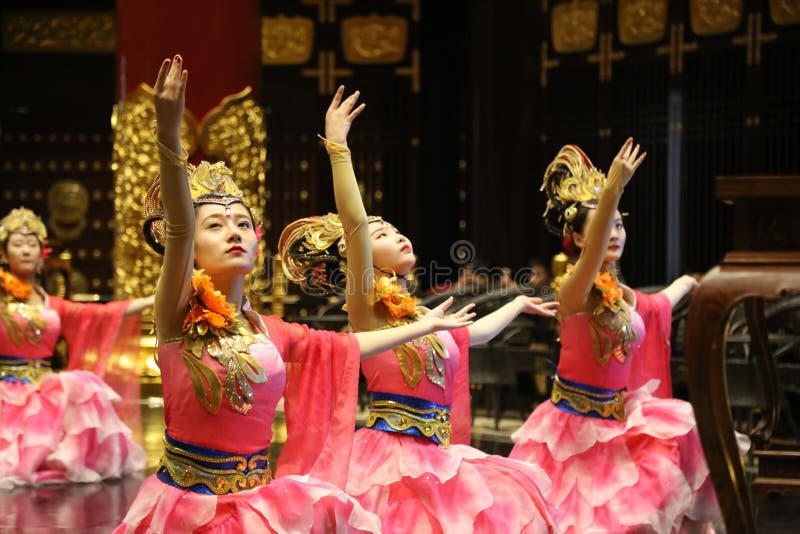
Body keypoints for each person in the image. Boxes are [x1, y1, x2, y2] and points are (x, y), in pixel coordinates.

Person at [115, 55, 475, 534]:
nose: (234, 232)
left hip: (255, 506)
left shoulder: (270, 330)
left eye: (243, 223)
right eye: (216, 225)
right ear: (192, 248)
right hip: (188, 510)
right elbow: (179, 228)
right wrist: (169, 133)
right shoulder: (177, 314)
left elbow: (344, 347)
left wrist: (425, 324)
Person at [279, 86, 559, 533]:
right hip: (390, 459)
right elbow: (353, 222)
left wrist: (519, 303)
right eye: (382, 234)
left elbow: (475, 334)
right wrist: (338, 147)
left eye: (394, 228)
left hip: (438, 455)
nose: (396, 235)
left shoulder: (418, 315)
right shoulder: (367, 307)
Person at [508, 142, 723, 532]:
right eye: (606, 226)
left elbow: (654, 306)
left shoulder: (618, 292)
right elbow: (591, 262)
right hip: (573, 433)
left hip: (619, 420)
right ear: (576, 236)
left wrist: (686, 283)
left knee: (681, 448)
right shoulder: (575, 287)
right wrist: (613, 191)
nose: (615, 233)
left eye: (620, 225)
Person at [0, 207, 150, 489]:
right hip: (5, 388)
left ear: (42, 254)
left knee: (83, 385)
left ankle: (64, 458)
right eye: (17, 244)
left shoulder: (52, 303)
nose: (25, 250)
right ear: (4, 255)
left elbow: (99, 314)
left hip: (43, 386)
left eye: (32, 244)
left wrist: (152, 300)